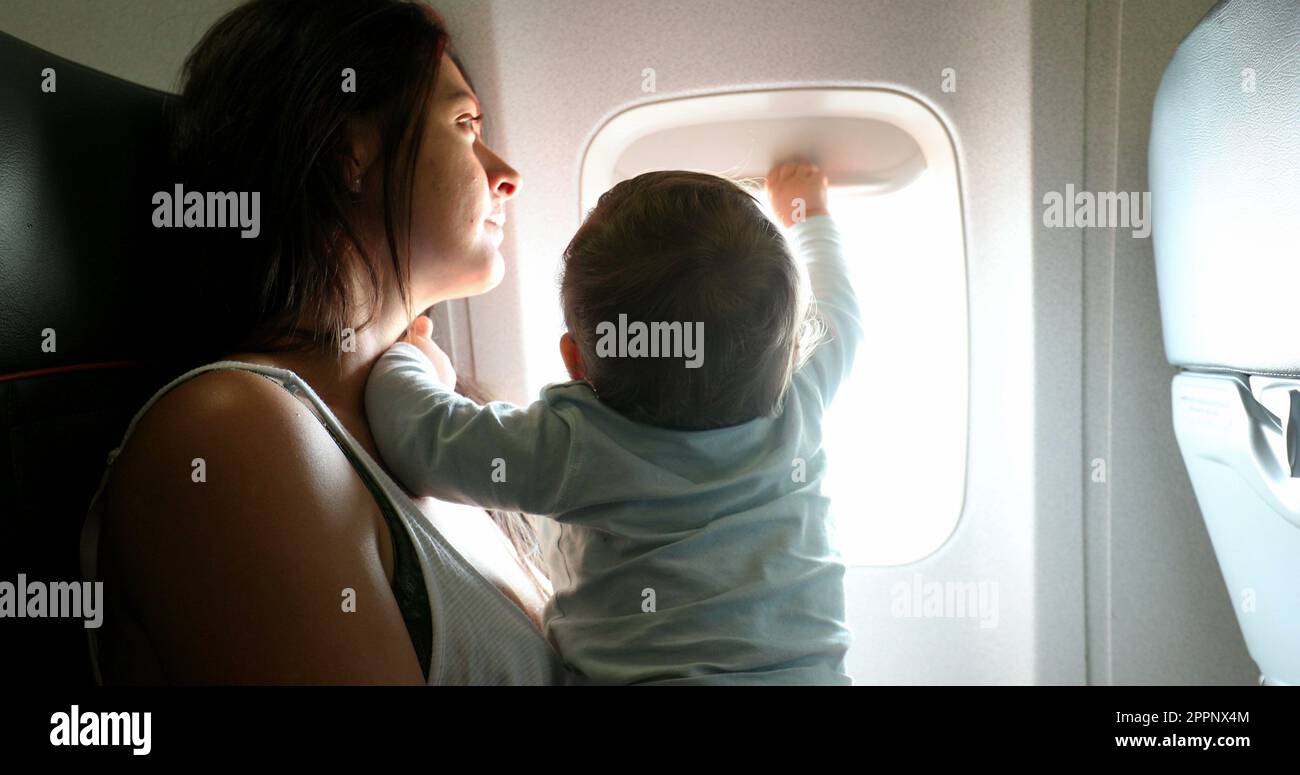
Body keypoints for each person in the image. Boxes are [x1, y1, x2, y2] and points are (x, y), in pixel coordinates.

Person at [79, 0, 575, 684]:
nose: (506, 172)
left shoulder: (434, 432)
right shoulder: (228, 434)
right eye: (465, 126)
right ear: (349, 151)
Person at [364, 163, 864, 684]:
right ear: (791, 341)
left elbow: (419, 437)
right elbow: (842, 314)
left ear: (574, 359)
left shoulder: (576, 444)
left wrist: (417, 358)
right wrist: (812, 216)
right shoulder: (802, 394)